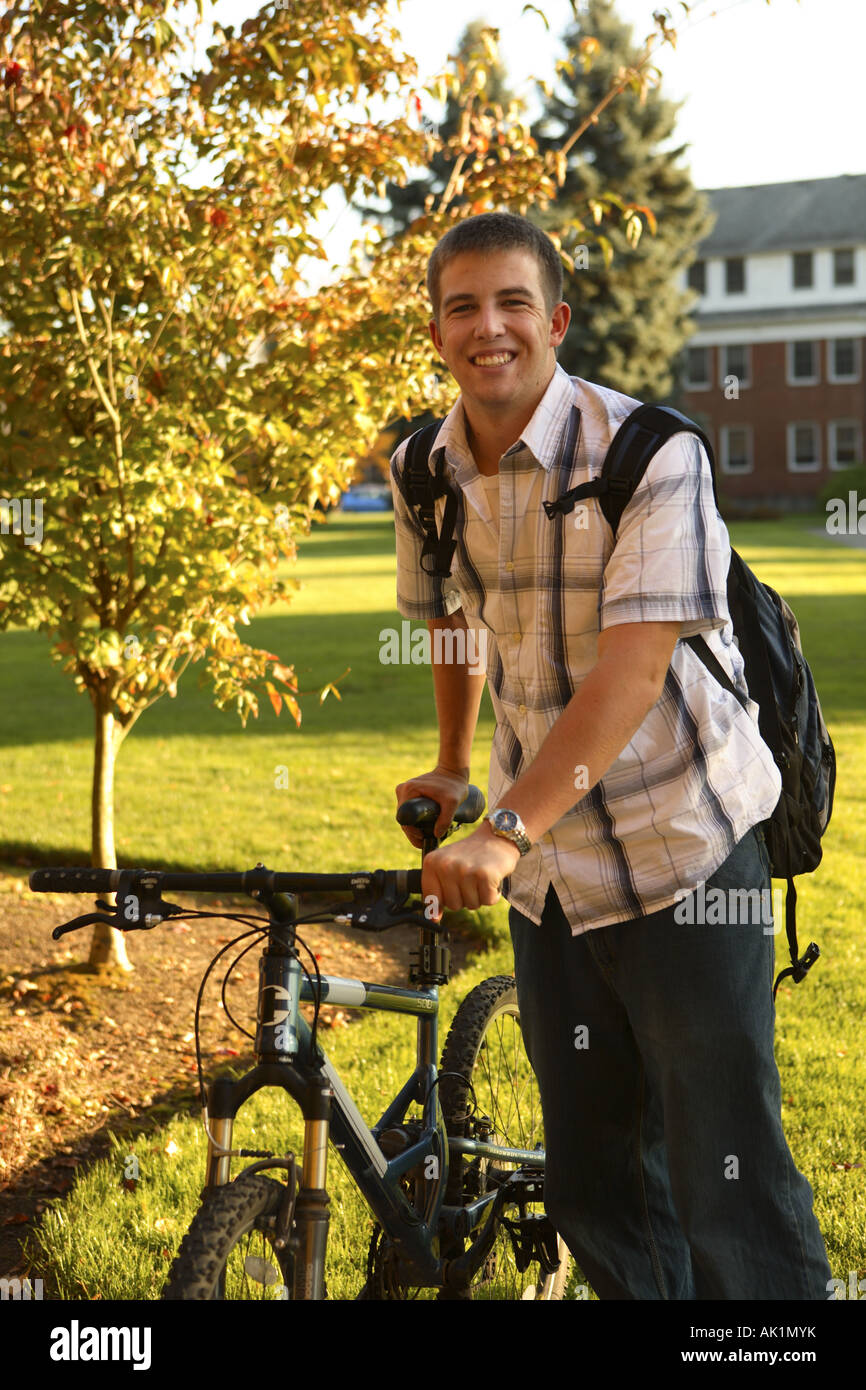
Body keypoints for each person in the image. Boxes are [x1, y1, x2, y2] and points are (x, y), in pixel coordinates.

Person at [389, 210, 832, 1300]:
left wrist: (499, 827)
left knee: (721, 1164)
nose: (485, 327)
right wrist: (455, 764)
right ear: (435, 329)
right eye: (461, 306)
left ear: (556, 321)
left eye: (510, 303)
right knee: (594, 1179)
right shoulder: (421, 465)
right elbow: (448, 614)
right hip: (550, 877)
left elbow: (630, 678)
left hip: (678, 843)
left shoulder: (649, 452)